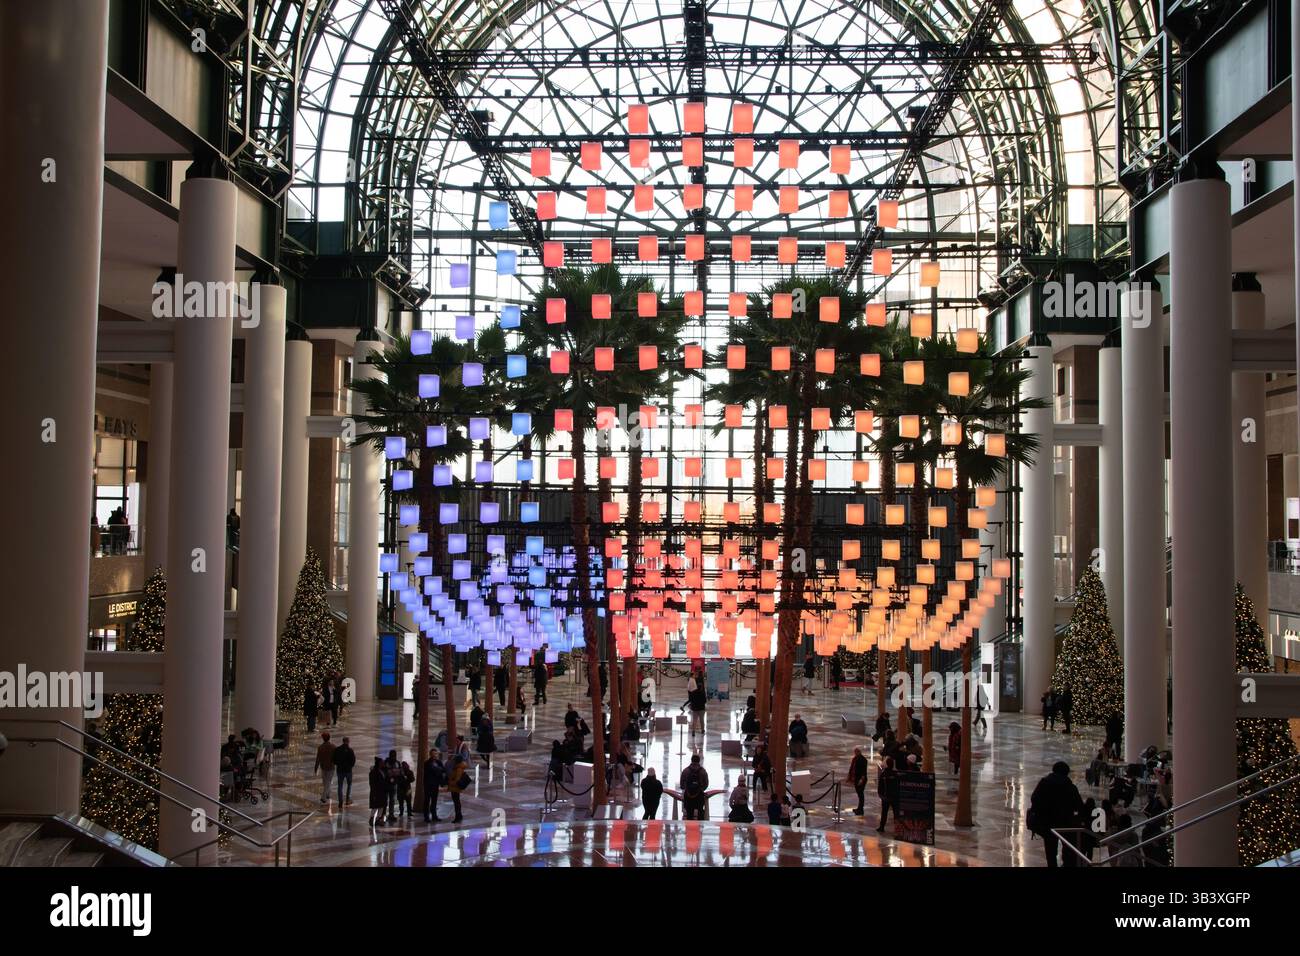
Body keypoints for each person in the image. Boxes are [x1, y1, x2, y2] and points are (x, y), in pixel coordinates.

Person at [1028, 760, 1085, 867]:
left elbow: (1034, 799)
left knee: (1050, 852)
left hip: (1047, 824)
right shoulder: (1070, 787)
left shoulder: (1044, 784)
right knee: (1068, 850)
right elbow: (1079, 806)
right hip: (1065, 824)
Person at [679, 753, 709, 820]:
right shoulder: (703, 771)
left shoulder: (685, 771)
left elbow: (682, 785)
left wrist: (687, 789)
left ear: (691, 760)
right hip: (699, 796)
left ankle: (690, 826)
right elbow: (706, 784)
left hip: (688, 796)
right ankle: (700, 826)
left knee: (689, 815)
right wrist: (700, 789)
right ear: (699, 761)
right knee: (700, 814)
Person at [876, 755, 900, 832]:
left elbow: (880, 785)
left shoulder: (884, 774)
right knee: (896, 813)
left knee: (884, 813)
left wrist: (880, 794)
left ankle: (882, 827)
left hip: (886, 797)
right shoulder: (896, 774)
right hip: (894, 797)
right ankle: (897, 829)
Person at [445, 751, 469, 823]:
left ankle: (458, 817)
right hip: (455, 788)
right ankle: (459, 816)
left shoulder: (458, 769)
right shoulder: (458, 767)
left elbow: (457, 780)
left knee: (456, 802)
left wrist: (449, 782)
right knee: (456, 801)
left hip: (455, 788)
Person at [314, 732, 336, 805]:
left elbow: (318, 758)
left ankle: (323, 797)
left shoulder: (320, 747)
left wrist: (316, 767)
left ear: (323, 738)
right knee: (328, 782)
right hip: (331, 767)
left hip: (323, 767)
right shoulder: (333, 746)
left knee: (325, 782)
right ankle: (328, 794)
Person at [422, 748, 445, 822]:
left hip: (435, 784)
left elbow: (443, 770)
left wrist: (437, 769)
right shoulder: (427, 763)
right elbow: (431, 771)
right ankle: (426, 817)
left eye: (435, 754)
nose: (435, 755)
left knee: (434, 801)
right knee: (427, 801)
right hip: (428, 785)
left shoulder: (439, 762)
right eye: (433, 754)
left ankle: (434, 816)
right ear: (430, 754)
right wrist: (438, 770)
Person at [333, 736, 356, 806]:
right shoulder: (350, 750)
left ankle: (340, 801)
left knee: (340, 786)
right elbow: (353, 761)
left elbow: (334, 759)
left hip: (340, 770)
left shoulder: (337, 749)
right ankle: (347, 800)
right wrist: (350, 766)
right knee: (349, 785)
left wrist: (338, 764)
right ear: (348, 742)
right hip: (348, 770)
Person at [848, 747, 869, 816]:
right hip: (857, 779)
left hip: (861, 779)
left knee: (861, 794)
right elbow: (852, 768)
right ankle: (859, 808)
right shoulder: (856, 759)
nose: (855, 753)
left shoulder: (863, 760)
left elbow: (864, 771)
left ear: (859, 752)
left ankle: (861, 810)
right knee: (859, 794)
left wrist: (861, 780)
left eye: (856, 752)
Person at [368, 757, 388, 827]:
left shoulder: (382, 770)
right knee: (375, 807)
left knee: (381, 806)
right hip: (376, 792)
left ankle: (378, 819)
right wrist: (374, 793)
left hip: (382, 792)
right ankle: (372, 819)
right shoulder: (373, 772)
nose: (383, 763)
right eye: (382, 762)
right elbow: (372, 784)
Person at [383, 749, 400, 822]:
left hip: (393, 785)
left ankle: (391, 814)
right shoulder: (385, 763)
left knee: (392, 800)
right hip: (386, 785)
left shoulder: (397, 763)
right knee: (385, 800)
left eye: (394, 756)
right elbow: (383, 773)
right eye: (392, 756)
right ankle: (383, 814)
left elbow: (400, 773)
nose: (393, 757)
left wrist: (395, 779)